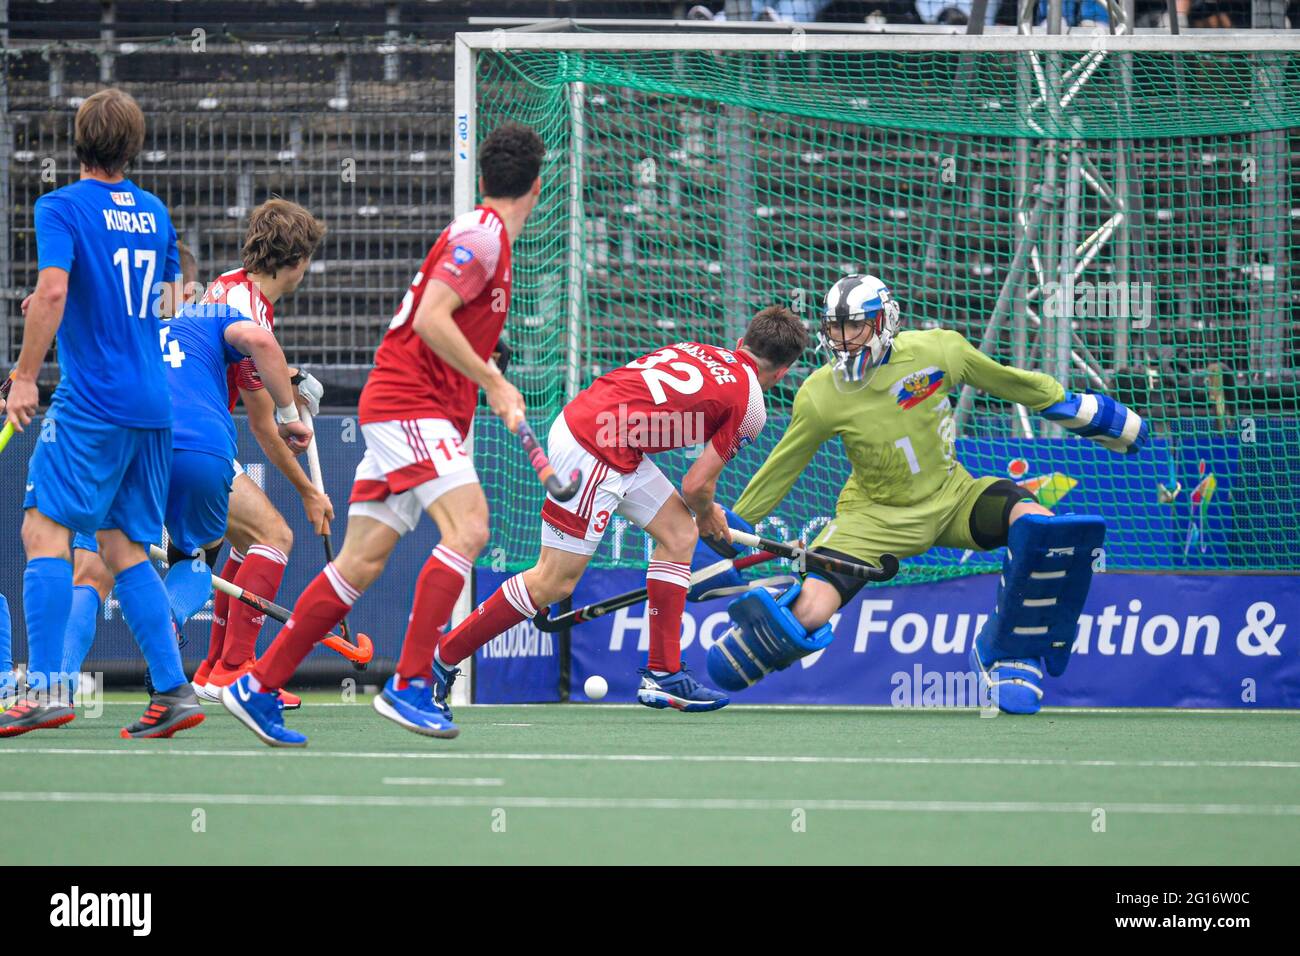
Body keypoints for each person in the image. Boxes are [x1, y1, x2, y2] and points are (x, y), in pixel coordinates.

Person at [222, 122, 544, 747]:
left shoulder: (485, 240)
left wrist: (485, 357)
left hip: (408, 407)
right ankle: (411, 683)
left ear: (483, 177)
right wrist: (495, 383)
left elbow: (445, 318)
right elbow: (429, 318)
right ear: (536, 186)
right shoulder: (483, 235)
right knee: (469, 527)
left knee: (360, 561)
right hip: (408, 407)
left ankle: (257, 684)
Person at [710, 274, 1147, 714]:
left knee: (1040, 527)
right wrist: (727, 531)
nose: (844, 341)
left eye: (856, 326)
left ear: (885, 321)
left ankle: (1011, 653)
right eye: (835, 328)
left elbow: (1007, 381)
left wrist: (1069, 404)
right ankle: (756, 638)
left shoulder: (940, 350)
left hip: (954, 497)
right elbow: (781, 468)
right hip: (872, 521)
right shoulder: (820, 395)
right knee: (808, 614)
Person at [437, 307, 808, 718]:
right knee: (554, 581)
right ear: (783, 374)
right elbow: (696, 486)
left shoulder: (699, 349)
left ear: (742, 344)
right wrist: (708, 515)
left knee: (678, 535)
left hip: (601, 430)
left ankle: (663, 676)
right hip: (595, 449)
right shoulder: (752, 405)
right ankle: (440, 659)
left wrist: (701, 515)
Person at [0, 88, 202, 738]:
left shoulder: (59, 205)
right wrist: (83, 302)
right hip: (152, 404)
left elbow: (56, 288)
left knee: (43, 532)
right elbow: (170, 306)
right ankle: (173, 691)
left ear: (78, 140)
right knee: (120, 545)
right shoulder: (153, 211)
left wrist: (25, 376)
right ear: (133, 145)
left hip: (92, 402)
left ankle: (48, 690)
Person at [191, 199, 330, 699]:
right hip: (193, 434)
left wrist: (288, 379)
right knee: (276, 536)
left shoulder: (228, 284)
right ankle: (240, 671)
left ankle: (212, 670)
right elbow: (263, 425)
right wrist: (310, 491)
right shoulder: (252, 317)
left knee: (249, 544)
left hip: (168, 426)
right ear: (296, 262)